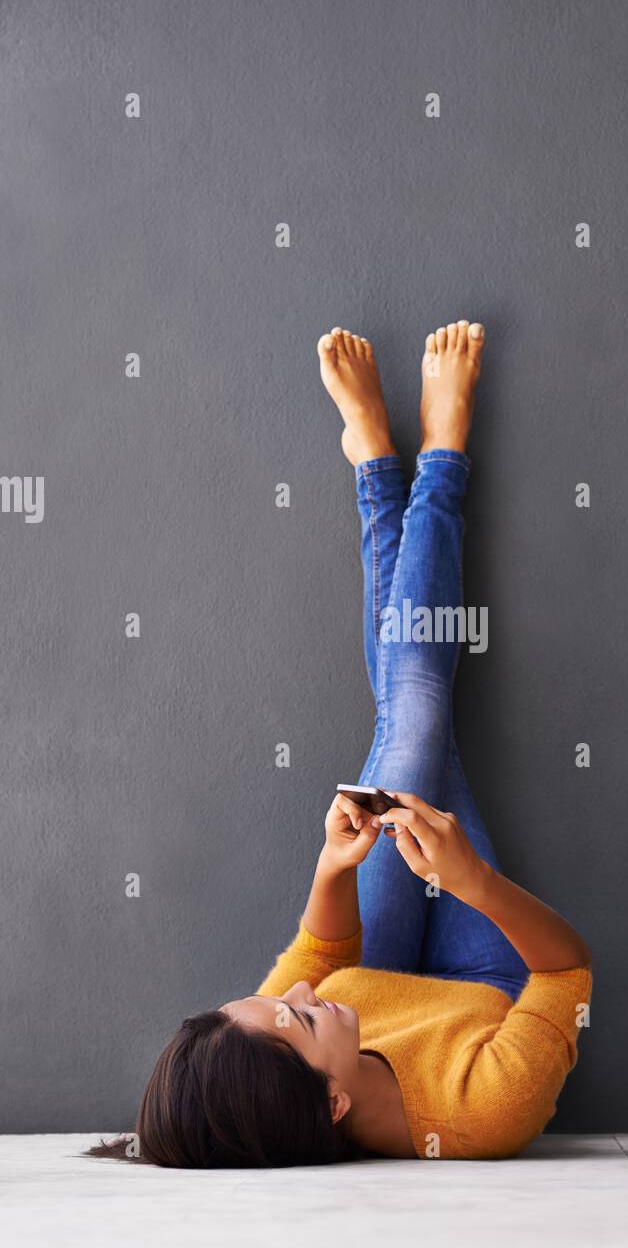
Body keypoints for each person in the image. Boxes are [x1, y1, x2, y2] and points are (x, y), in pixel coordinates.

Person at [88, 320, 592, 1167]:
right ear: (331, 1101)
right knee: (413, 715)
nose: (289, 988)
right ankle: (396, 467)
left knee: (415, 717)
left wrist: (332, 868)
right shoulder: (483, 1113)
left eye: (262, 1000)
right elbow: (567, 975)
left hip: (380, 965)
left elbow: (321, 959)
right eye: (294, 1013)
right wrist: (471, 883)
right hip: (489, 982)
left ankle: (419, 462)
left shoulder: (290, 1036)